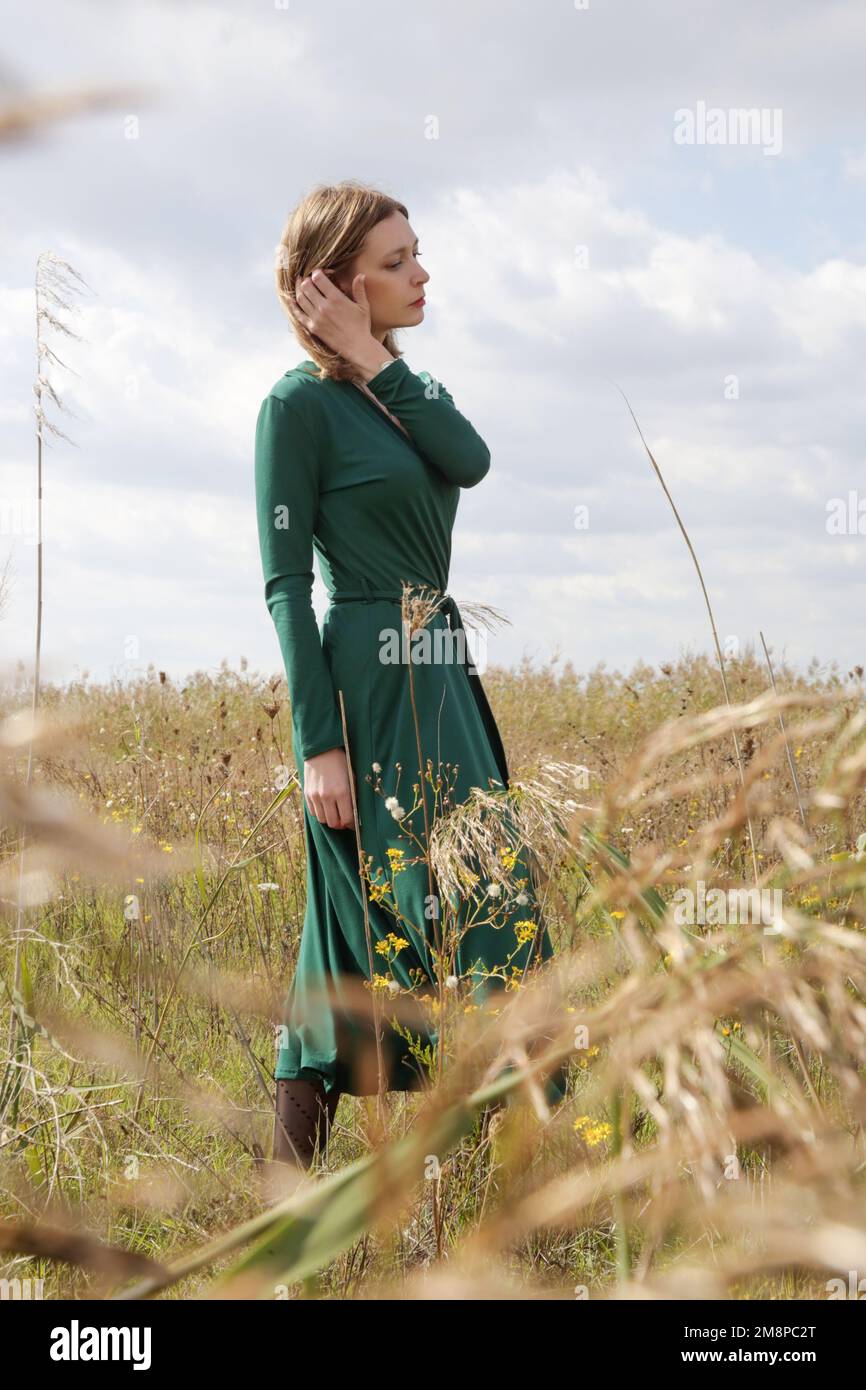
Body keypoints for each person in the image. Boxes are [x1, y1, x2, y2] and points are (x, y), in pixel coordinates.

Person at [254, 180, 565, 1171]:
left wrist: (372, 356)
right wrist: (317, 744)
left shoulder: (405, 392)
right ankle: (299, 1198)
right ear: (338, 283)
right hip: (365, 684)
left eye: (414, 254)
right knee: (370, 919)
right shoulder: (293, 409)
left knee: (489, 903)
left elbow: (468, 460)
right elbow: (282, 586)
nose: (420, 273)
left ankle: (496, 1177)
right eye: (395, 262)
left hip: (438, 662)